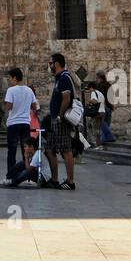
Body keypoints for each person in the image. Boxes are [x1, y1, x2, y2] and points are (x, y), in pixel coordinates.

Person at [43, 53, 78, 190]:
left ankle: (70, 181)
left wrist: (60, 115)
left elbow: (66, 99)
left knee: (66, 149)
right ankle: (54, 179)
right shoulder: (59, 79)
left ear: (56, 64)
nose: (49, 66)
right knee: (50, 149)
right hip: (55, 119)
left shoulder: (64, 78)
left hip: (60, 120)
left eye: (50, 63)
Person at [3, 67, 37, 179]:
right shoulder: (29, 90)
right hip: (25, 123)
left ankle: (10, 175)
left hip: (13, 123)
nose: (9, 80)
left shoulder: (11, 90)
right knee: (25, 150)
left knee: (11, 151)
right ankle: (26, 175)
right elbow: (34, 106)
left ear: (14, 77)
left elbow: (8, 107)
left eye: (10, 78)